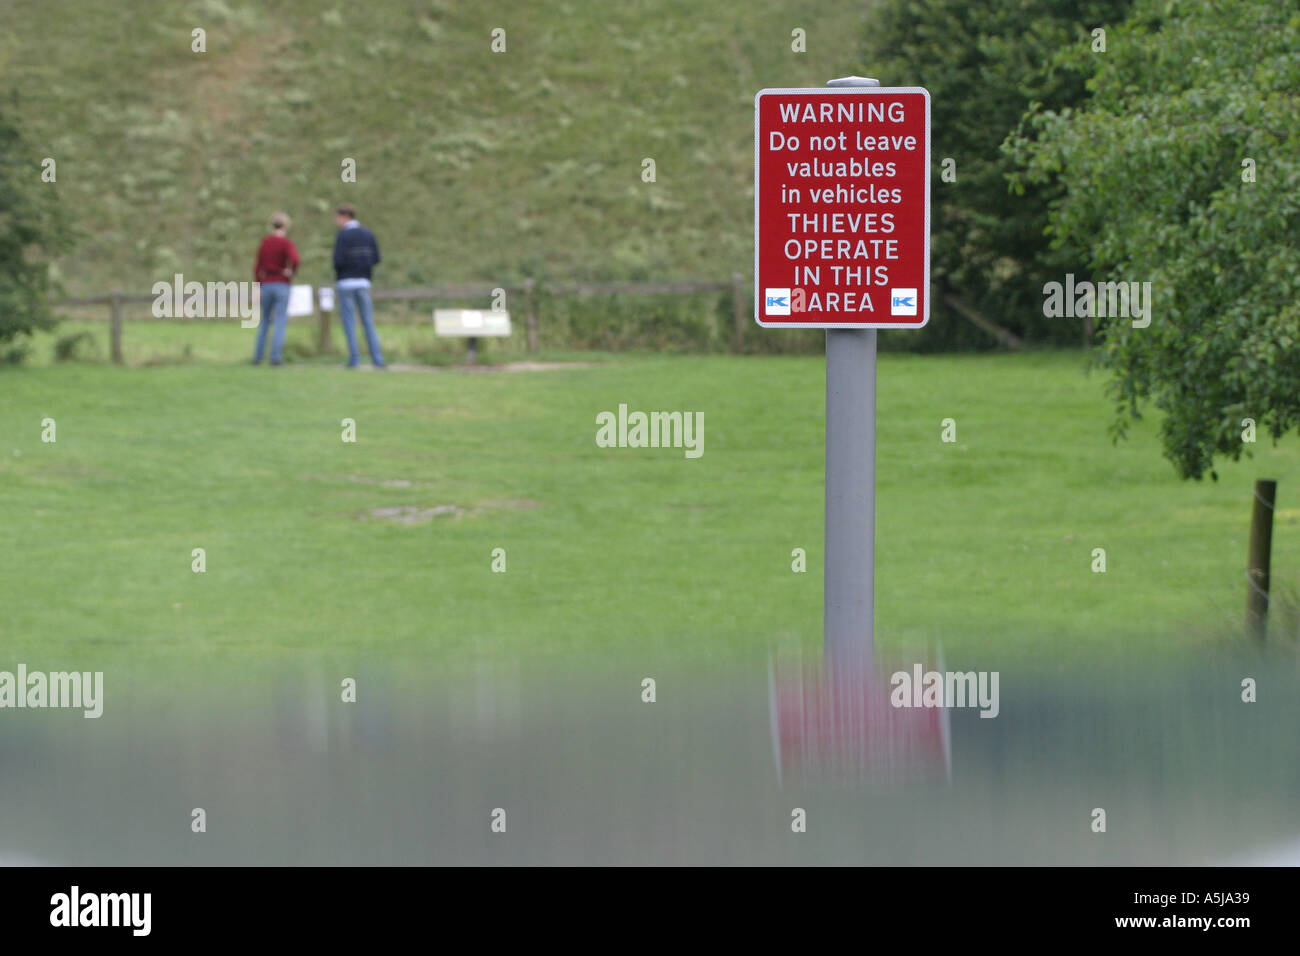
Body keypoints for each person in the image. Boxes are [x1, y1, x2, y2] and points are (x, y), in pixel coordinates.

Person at [332, 203, 385, 368]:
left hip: (346, 283)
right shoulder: (368, 234)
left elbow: (337, 261)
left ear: (345, 216)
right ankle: (378, 360)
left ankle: (354, 359)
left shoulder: (343, 236)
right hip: (363, 282)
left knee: (349, 322)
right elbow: (376, 258)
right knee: (368, 321)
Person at [252, 212, 300, 366]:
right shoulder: (286, 243)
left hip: (266, 284)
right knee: (280, 321)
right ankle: (275, 357)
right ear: (286, 226)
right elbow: (295, 259)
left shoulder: (265, 242)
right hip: (281, 284)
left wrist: (259, 283)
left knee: (264, 320)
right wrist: (290, 272)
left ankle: (258, 357)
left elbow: (257, 266)